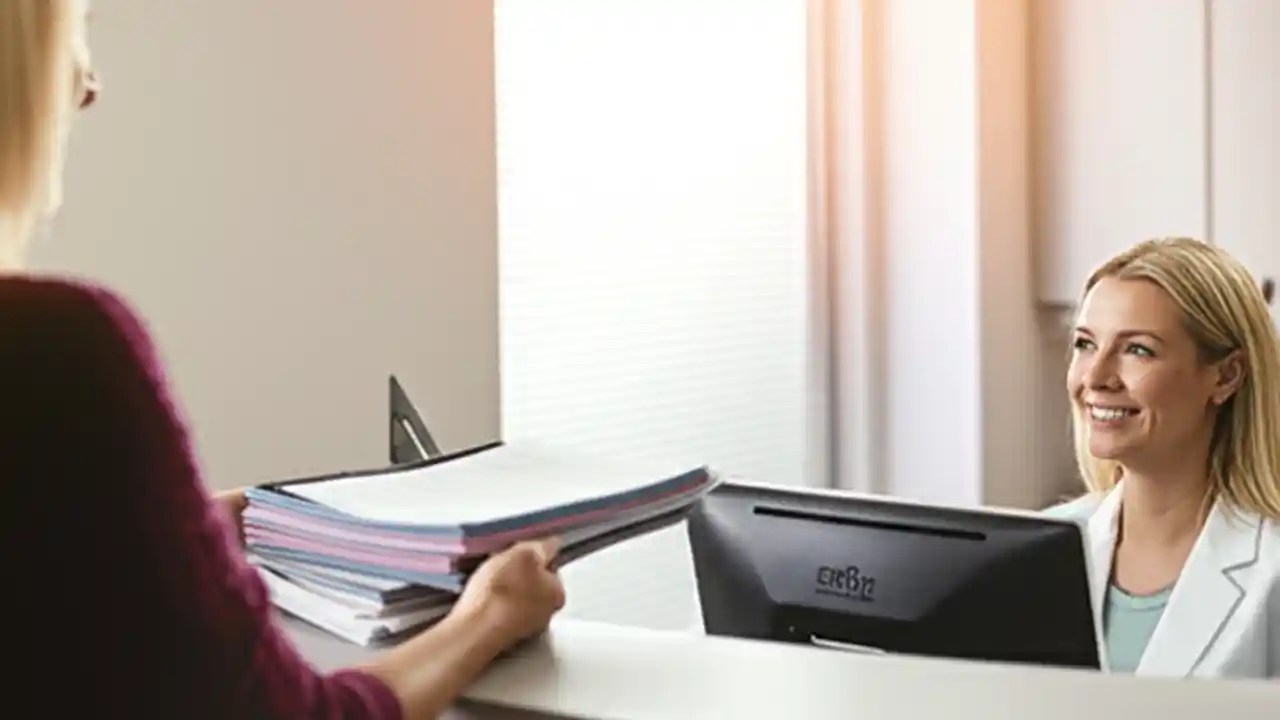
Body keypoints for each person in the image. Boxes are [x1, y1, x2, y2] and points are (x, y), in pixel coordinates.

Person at [1, 2, 565, 718]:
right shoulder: (56, 353)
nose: (87, 82)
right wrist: (489, 617)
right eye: (73, 30)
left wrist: (171, 526)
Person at [1047, 237, 1279, 678]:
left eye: (1137, 349)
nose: (1095, 377)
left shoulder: (1271, 569)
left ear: (1226, 376)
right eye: (1084, 344)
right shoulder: (1045, 548)